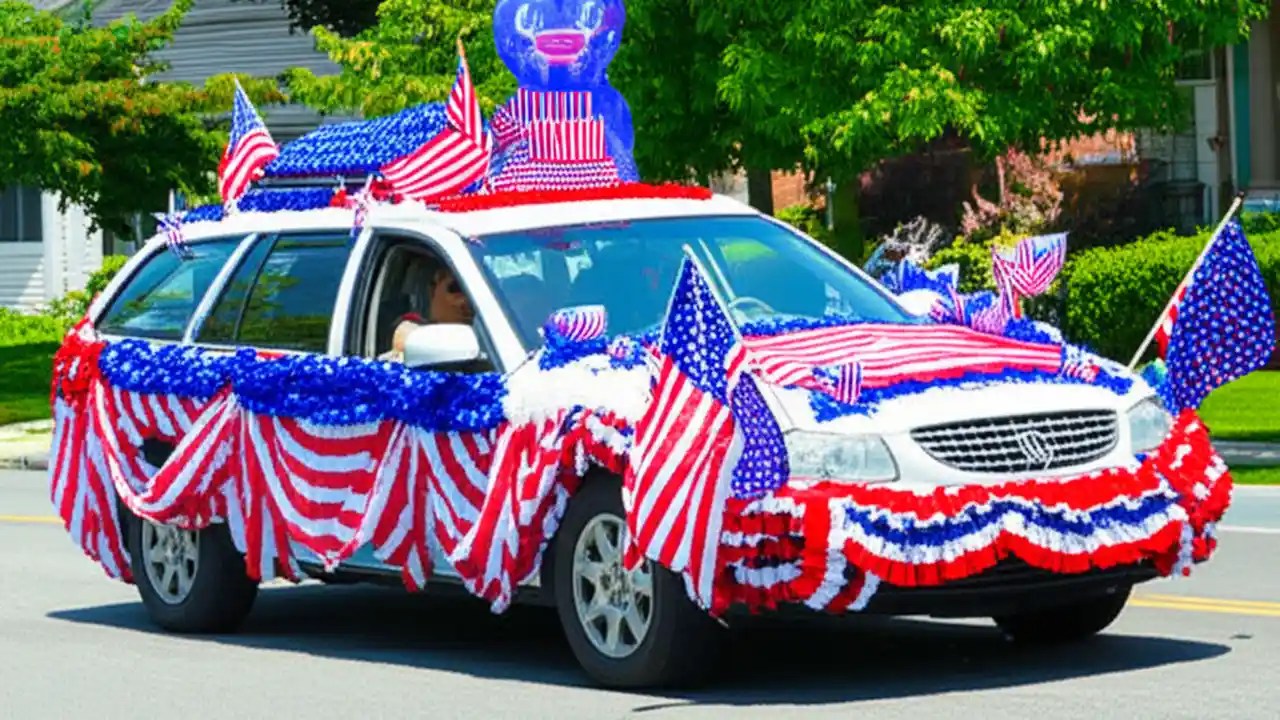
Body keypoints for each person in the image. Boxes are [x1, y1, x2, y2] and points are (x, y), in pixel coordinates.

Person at [384, 264, 475, 359]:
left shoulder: (488, 334)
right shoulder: (412, 329)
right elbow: (404, 337)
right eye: (456, 288)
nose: (465, 300)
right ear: (432, 291)